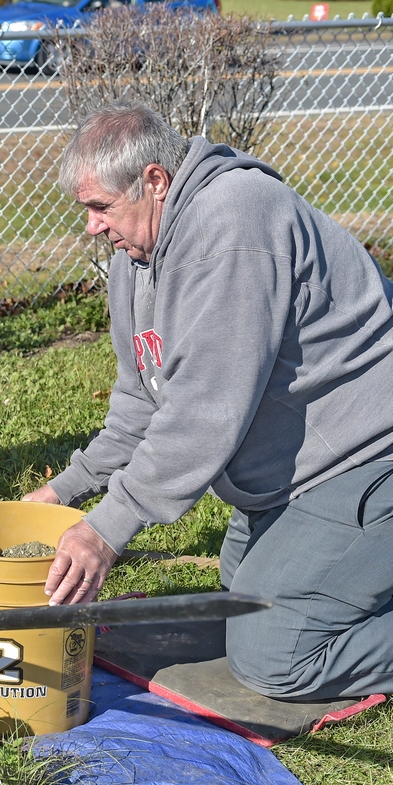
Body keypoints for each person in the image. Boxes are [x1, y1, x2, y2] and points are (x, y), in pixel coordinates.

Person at [24, 101, 393, 701]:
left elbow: (203, 414)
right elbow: (141, 401)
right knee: (238, 590)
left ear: (154, 181)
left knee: (275, 653)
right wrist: (65, 492)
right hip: (302, 470)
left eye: (100, 207)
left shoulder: (235, 225)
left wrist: (106, 532)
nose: (91, 225)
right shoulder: (137, 255)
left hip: (369, 455)